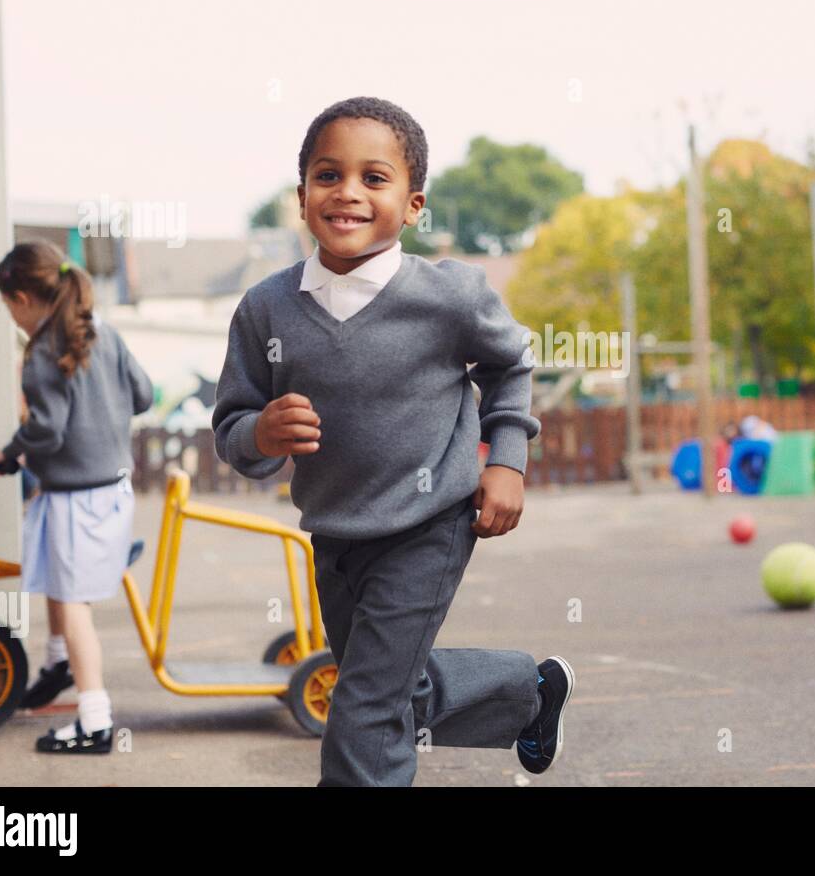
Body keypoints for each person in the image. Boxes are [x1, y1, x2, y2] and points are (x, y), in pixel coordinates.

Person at [212, 96, 573, 787]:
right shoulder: (265, 309)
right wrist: (259, 431)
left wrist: (507, 463)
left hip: (429, 524)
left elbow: (511, 365)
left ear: (413, 205)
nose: (348, 192)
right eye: (328, 175)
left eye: (374, 179)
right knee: (385, 689)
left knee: (366, 711)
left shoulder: (450, 295)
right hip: (335, 530)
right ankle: (528, 694)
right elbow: (233, 427)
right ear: (302, 195)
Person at [0, 239, 154, 754]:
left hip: (79, 501)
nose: (12, 318)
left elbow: (48, 431)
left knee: (73, 603)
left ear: (22, 299)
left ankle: (95, 721)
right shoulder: (103, 332)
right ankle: (58, 662)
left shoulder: (39, 355)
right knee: (58, 579)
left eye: (8, 307)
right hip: (108, 492)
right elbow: (142, 395)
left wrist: (7, 455)